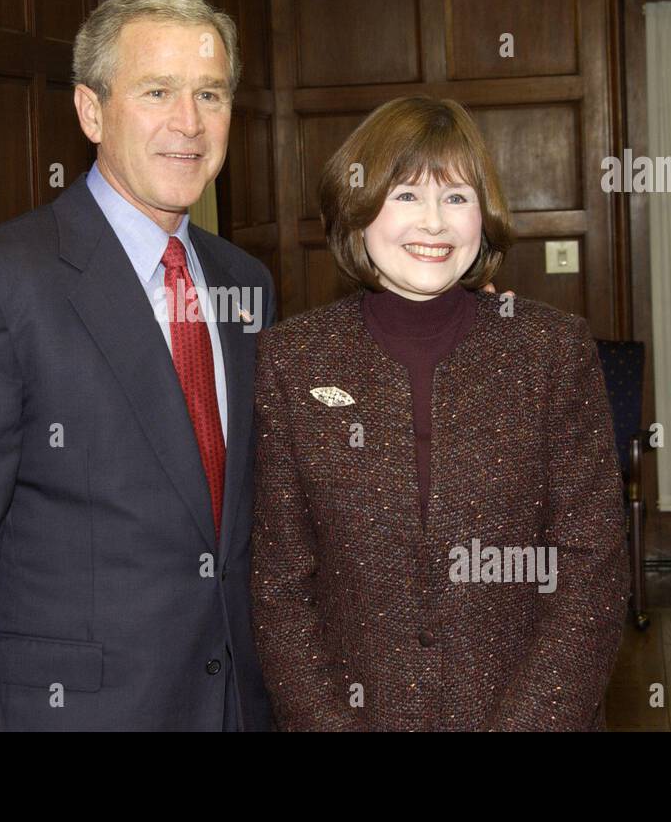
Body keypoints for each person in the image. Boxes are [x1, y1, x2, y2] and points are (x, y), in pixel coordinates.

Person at [0, 0, 276, 730]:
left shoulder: (246, 282)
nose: (189, 123)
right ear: (92, 112)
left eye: (209, 94)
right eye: (157, 92)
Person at [250, 96, 630, 731]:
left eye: (456, 197)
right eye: (404, 195)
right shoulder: (294, 360)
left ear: (484, 216)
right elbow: (281, 582)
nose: (433, 223)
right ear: (358, 210)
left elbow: (589, 568)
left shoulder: (551, 351)